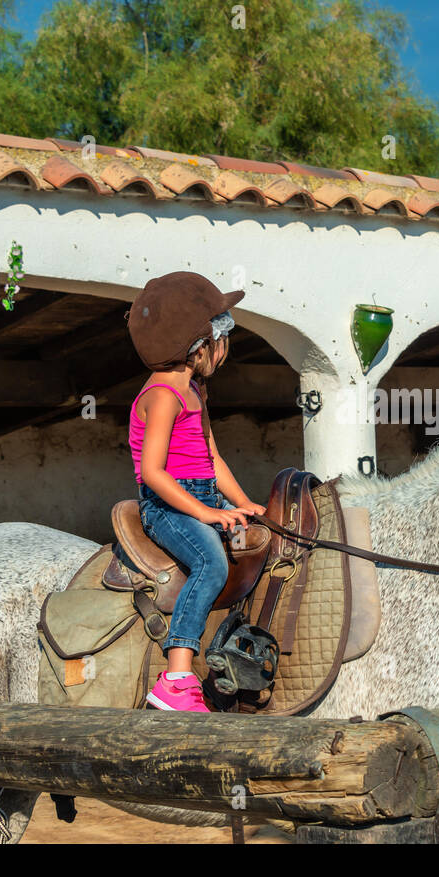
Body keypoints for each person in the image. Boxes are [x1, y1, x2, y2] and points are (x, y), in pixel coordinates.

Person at [126, 272, 266, 712]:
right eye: (222, 338)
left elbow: (213, 460)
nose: (225, 349)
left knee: (258, 538)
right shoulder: (164, 394)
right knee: (209, 560)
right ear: (200, 344)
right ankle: (177, 675)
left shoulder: (194, 391)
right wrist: (206, 516)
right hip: (167, 505)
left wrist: (241, 503)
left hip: (202, 493)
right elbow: (152, 472)